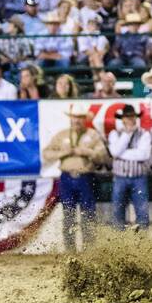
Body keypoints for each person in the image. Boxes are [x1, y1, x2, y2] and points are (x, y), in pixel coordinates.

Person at [43, 103, 109, 252]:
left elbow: (102, 156)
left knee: (88, 214)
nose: (77, 120)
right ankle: (70, 249)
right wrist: (62, 153)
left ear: (84, 119)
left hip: (85, 177)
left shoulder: (92, 134)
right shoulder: (62, 135)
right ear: (70, 118)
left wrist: (87, 152)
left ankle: (89, 249)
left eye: (80, 118)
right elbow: (46, 154)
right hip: (66, 177)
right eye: (75, 117)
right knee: (68, 214)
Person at [108, 104, 152, 230]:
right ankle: (120, 244)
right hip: (120, 178)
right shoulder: (114, 133)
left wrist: (122, 154)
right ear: (122, 119)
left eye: (132, 116)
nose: (130, 119)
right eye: (127, 117)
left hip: (139, 178)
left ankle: (144, 243)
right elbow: (114, 152)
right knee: (118, 213)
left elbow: (143, 155)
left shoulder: (144, 134)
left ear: (136, 117)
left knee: (142, 213)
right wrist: (127, 136)